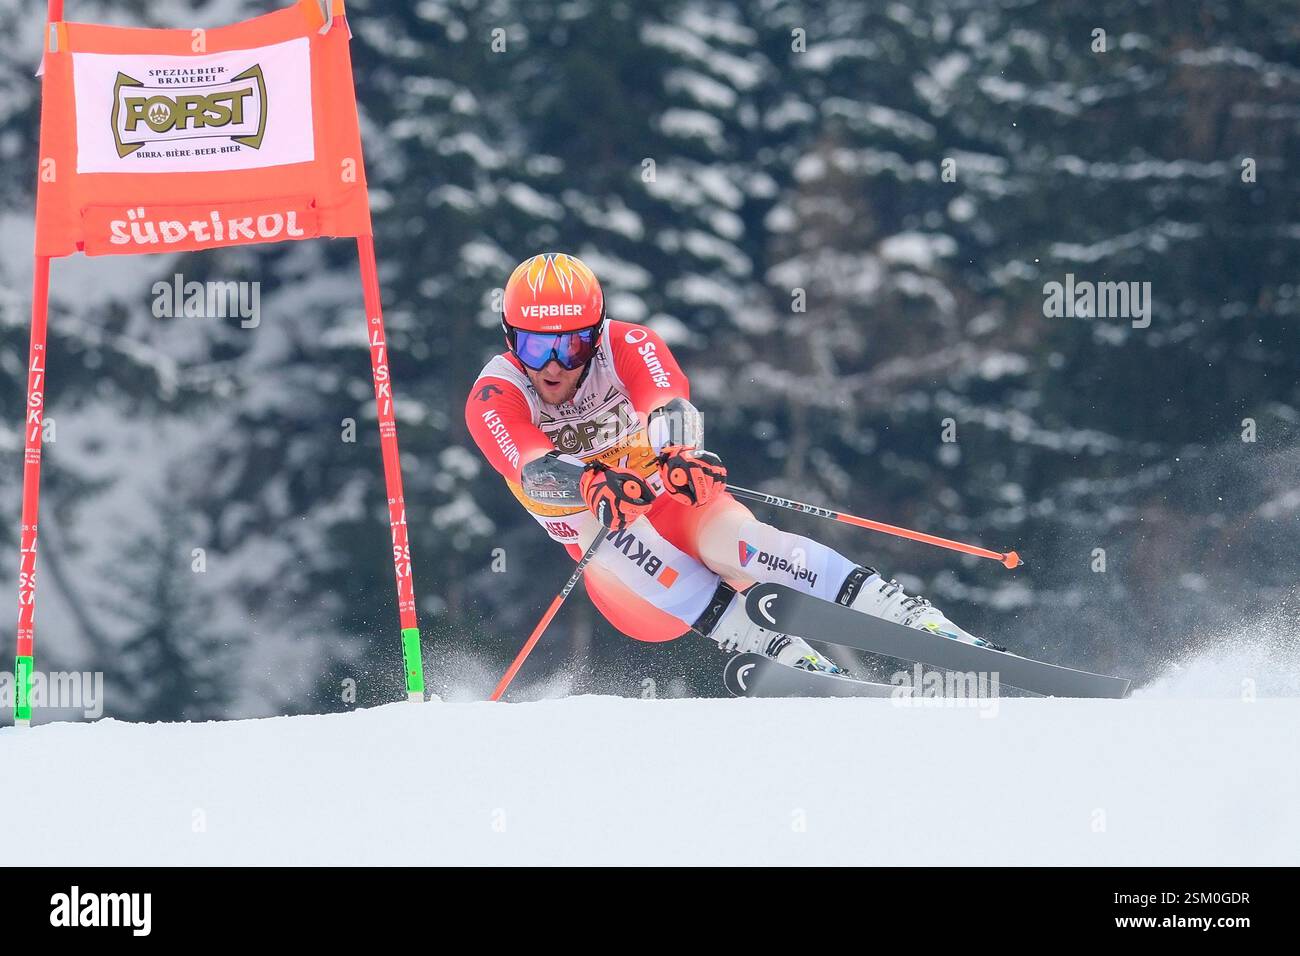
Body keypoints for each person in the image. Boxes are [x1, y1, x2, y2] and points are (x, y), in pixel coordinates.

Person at [465, 252, 986, 674]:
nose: (555, 366)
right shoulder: (495, 394)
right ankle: (778, 652)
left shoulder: (628, 344)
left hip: (671, 506)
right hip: (625, 574)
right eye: (537, 347)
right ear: (512, 341)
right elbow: (532, 466)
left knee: (749, 547)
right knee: (619, 538)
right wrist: (593, 485)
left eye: (573, 344)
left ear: (596, 334)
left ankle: (909, 616)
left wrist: (679, 456)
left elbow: (668, 401)